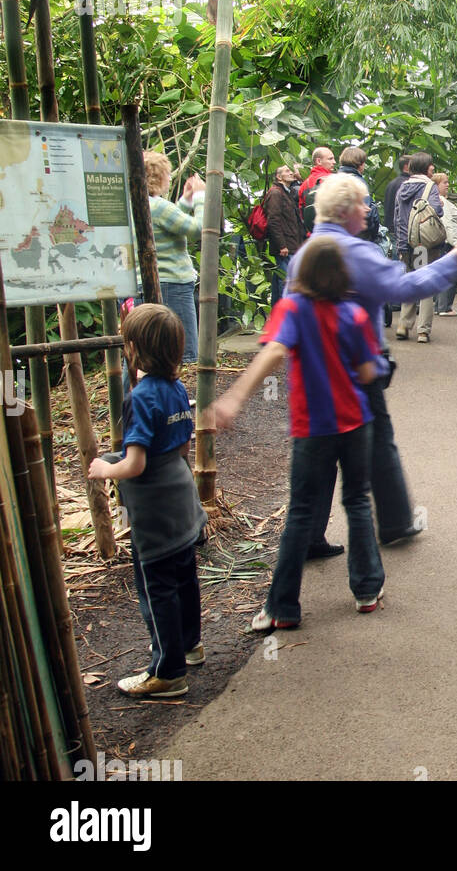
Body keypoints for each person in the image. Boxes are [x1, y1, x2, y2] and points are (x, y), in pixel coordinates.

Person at [298, 173, 457, 546]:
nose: (368, 209)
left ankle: (309, 536)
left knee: (320, 453)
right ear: (345, 210)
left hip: (315, 373)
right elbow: (403, 287)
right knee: (378, 441)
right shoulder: (356, 252)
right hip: (358, 367)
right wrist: (451, 262)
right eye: (362, 203)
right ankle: (392, 526)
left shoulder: (307, 251)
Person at [213, 238, 386, 627]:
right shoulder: (354, 314)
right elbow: (368, 372)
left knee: (301, 512)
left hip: (313, 429)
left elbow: (274, 351)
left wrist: (234, 398)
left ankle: (282, 609)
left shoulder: (292, 309)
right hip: (355, 423)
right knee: (357, 502)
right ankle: (366, 590)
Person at [89, 304, 206, 698]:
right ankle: (191, 646)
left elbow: (135, 464)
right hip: (182, 500)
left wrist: (104, 470)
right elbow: (183, 447)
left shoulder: (142, 397)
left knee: (157, 588)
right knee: (185, 577)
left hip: (155, 514)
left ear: (133, 348)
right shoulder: (177, 389)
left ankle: (167, 671)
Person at [144, 149, 205, 364]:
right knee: (182, 351)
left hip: (151, 283)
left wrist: (186, 201)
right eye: (167, 175)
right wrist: (200, 198)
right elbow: (198, 229)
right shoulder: (158, 206)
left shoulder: (141, 204)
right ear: (159, 177)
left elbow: (170, 224)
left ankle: (130, 397)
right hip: (172, 285)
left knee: (141, 351)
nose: (170, 179)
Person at [394, 153, 446, 343]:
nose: (433, 168)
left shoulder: (402, 187)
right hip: (423, 243)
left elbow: (398, 217)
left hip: (407, 244)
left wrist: (401, 244)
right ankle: (423, 331)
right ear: (426, 167)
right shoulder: (429, 186)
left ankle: (403, 325)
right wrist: (439, 203)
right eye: (431, 165)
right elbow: (436, 211)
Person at [264, 165, 305, 306]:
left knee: (279, 280)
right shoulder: (276, 193)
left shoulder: (286, 192)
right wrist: (282, 245)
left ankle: (276, 315)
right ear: (278, 177)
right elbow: (273, 220)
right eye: (287, 171)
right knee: (287, 282)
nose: (291, 173)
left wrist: (299, 177)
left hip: (291, 244)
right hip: (285, 246)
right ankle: (284, 316)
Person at [432, 171, 457, 315]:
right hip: (449, 244)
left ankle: (440, 306)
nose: (448, 185)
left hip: (446, 243)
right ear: (436, 185)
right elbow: (448, 225)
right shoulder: (441, 202)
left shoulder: (440, 200)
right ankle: (444, 307)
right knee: (450, 273)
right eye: (444, 182)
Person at [337, 146, 381, 242]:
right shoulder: (358, 183)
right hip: (358, 237)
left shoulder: (334, 180)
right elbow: (367, 214)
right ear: (360, 164)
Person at [297, 146, 337, 235]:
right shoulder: (332, 180)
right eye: (330, 159)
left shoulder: (304, 185)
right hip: (332, 233)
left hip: (313, 234)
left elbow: (302, 213)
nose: (334, 162)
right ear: (319, 161)